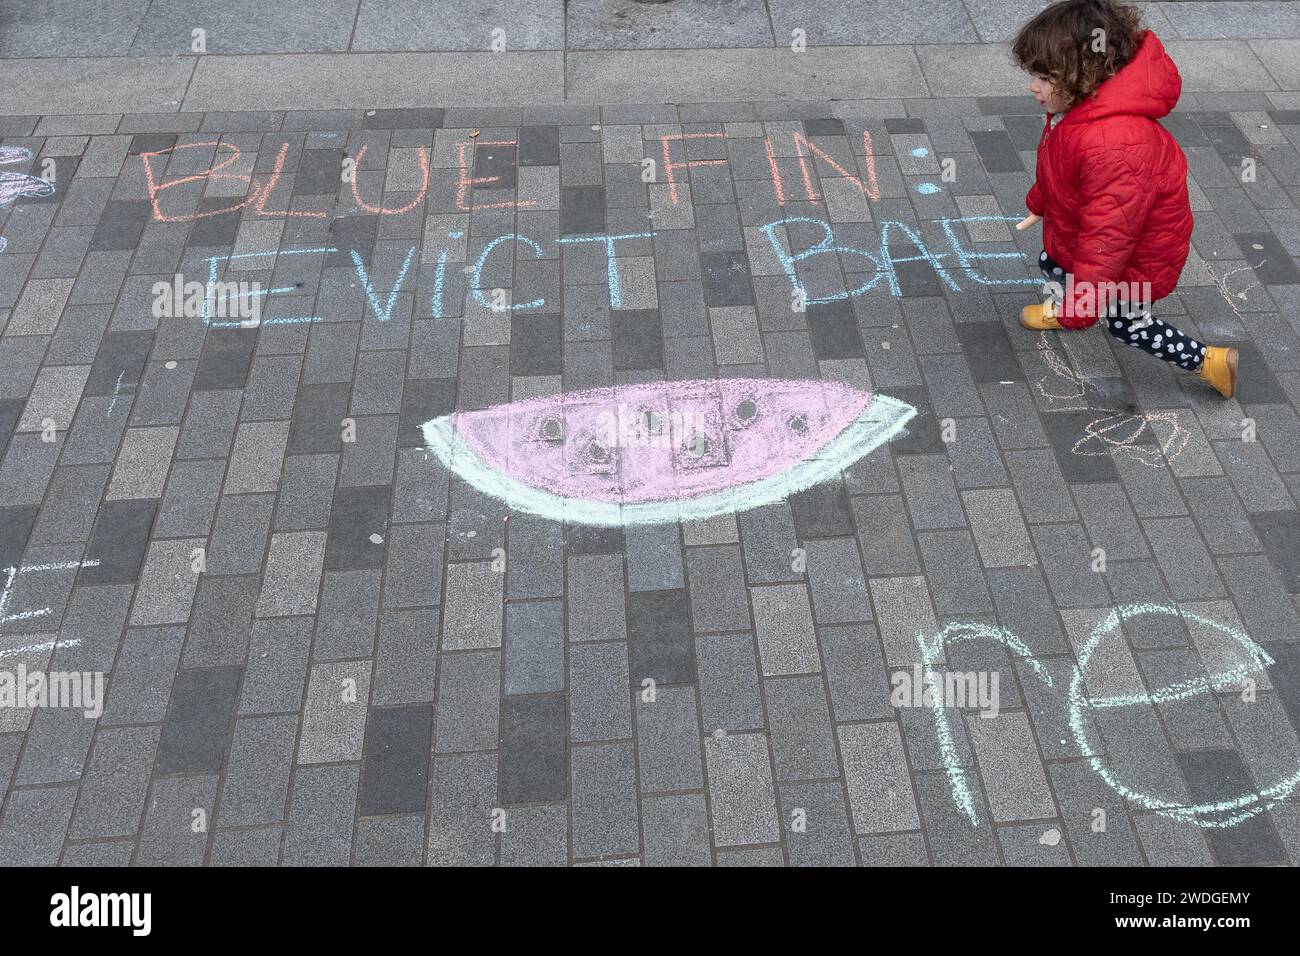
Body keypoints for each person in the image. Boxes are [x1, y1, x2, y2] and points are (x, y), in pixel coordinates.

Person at [1010, 0, 1238, 398]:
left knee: (1128, 324)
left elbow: (1109, 240)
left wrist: (1085, 305)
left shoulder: (1114, 145)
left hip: (1134, 261)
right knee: (1052, 261)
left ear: (1086, 76)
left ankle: (1210, 362)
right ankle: (1065, 307)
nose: (1033, 86)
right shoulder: (1080, 113)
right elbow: (1059, 171)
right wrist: (1039, 201)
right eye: (1034, 74)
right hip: (1085, 231)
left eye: (1045, 77)